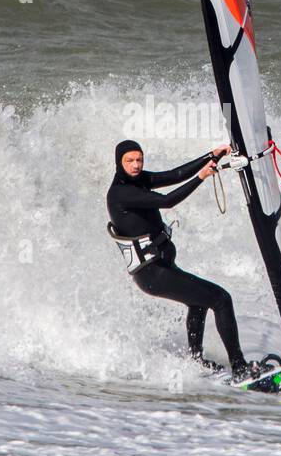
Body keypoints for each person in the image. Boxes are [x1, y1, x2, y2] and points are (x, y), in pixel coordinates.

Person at [106, 139, 270, 380]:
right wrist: (202, 176)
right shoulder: (121, 193)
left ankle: (196, 360)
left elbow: (174, 175)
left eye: (139, 159)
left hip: (159, 267)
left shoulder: (138, 180)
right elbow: (167, 201)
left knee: (199, 302)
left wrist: (211, 156)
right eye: (129, 161)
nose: (136, 165)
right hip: (152, 273)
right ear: (119, 163)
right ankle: (240, 367)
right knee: (221, 299)